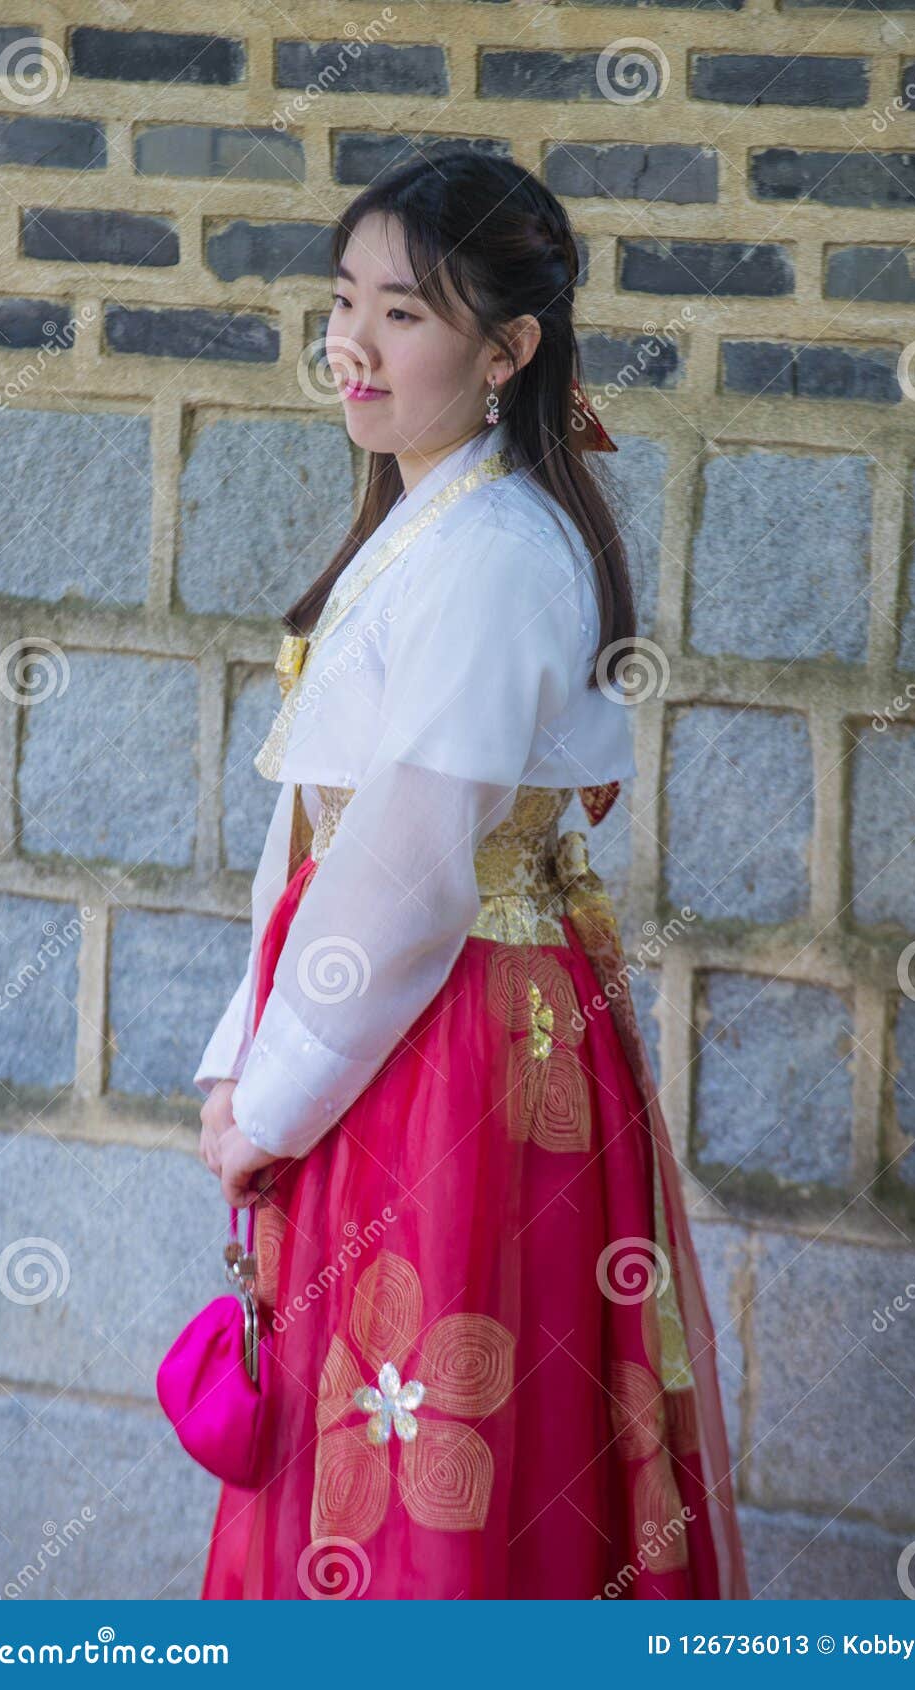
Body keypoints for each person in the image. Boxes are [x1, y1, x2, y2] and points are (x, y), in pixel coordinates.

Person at [191, 151, 749, 1601]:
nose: (352, 346)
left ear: (507, 350)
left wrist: (269, 1102)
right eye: (343, 303)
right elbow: (320, 841)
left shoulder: (494, 550)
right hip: (393, 1029)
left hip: (450, 1050)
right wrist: (241, 1058)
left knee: (436, 1430)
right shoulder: (429, 521)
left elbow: (411, 872)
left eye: (404, 315)